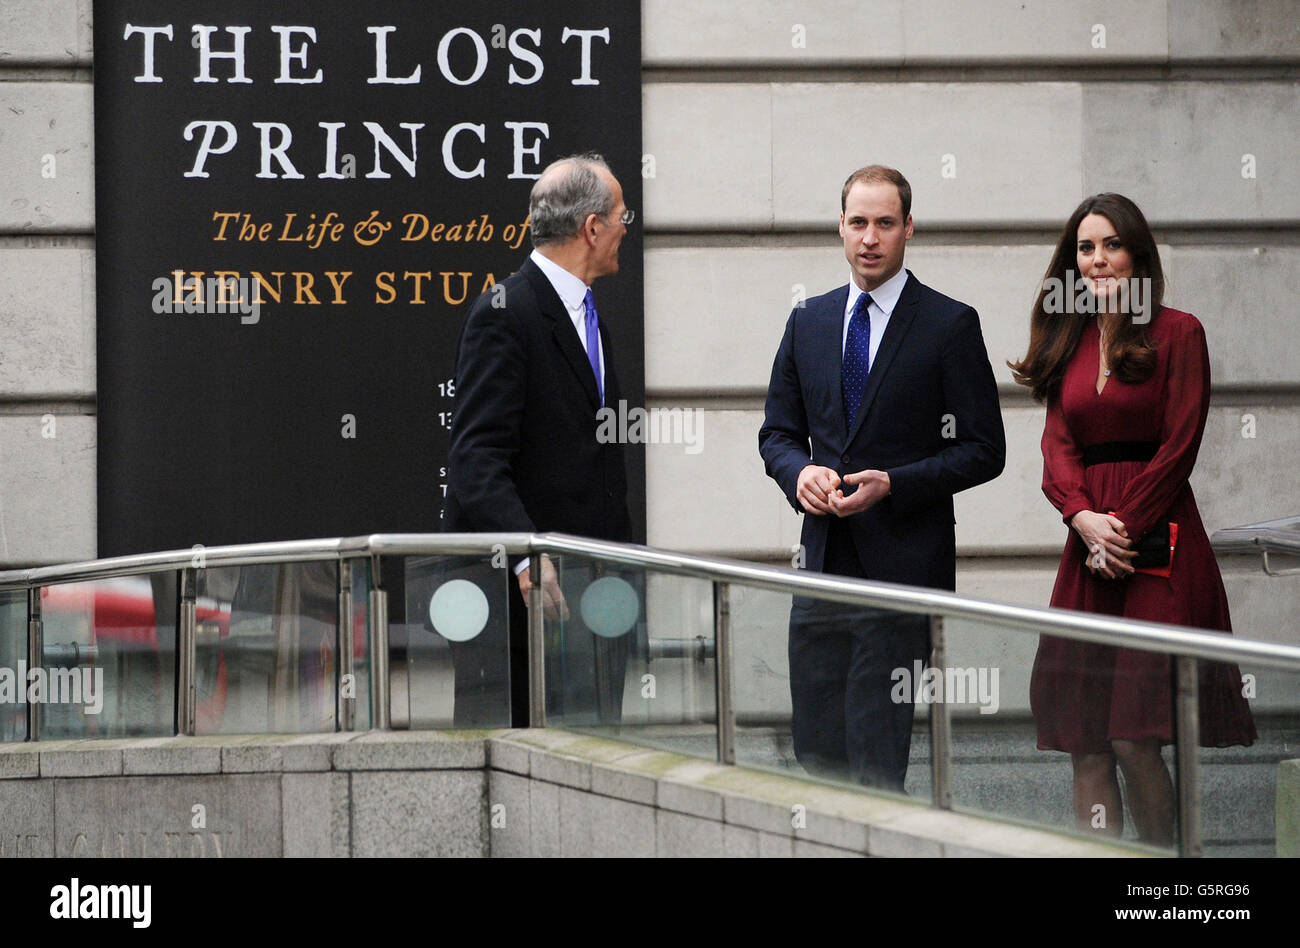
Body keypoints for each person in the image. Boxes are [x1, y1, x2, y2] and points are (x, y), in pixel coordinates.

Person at [1009, 192, 1256, 846]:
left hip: (1160, 546)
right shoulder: (1068, 340)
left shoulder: (1180, 331)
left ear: (1137, 255)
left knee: (1134, 735)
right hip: (1088, 547)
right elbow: (1057, 447)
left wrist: (1120, 525)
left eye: (1111, 245)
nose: (1098, 260)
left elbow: (1180, 444)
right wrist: (1083, 518)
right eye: (1086, 248)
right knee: (1087, 740)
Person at [759, 165, 1005, 791]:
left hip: (901, 575)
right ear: (840, 227)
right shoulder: (807, 320)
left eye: (885, 223)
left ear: (908, 229)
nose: (870, 237)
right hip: (820, 568)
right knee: (816, 753)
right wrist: (801, 475)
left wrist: (894, 482)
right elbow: (777, 435)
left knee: (874, 760)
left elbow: (984, 450)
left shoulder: (949, 324)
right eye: (858, 222)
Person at [443, 153, 634, 728]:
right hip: (529, 610)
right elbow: (476, 460)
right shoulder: (505, 313)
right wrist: (530, 553)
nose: (627, 227)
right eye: (624, 215)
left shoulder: (585, 311)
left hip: (593, 599)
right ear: (592, 227)